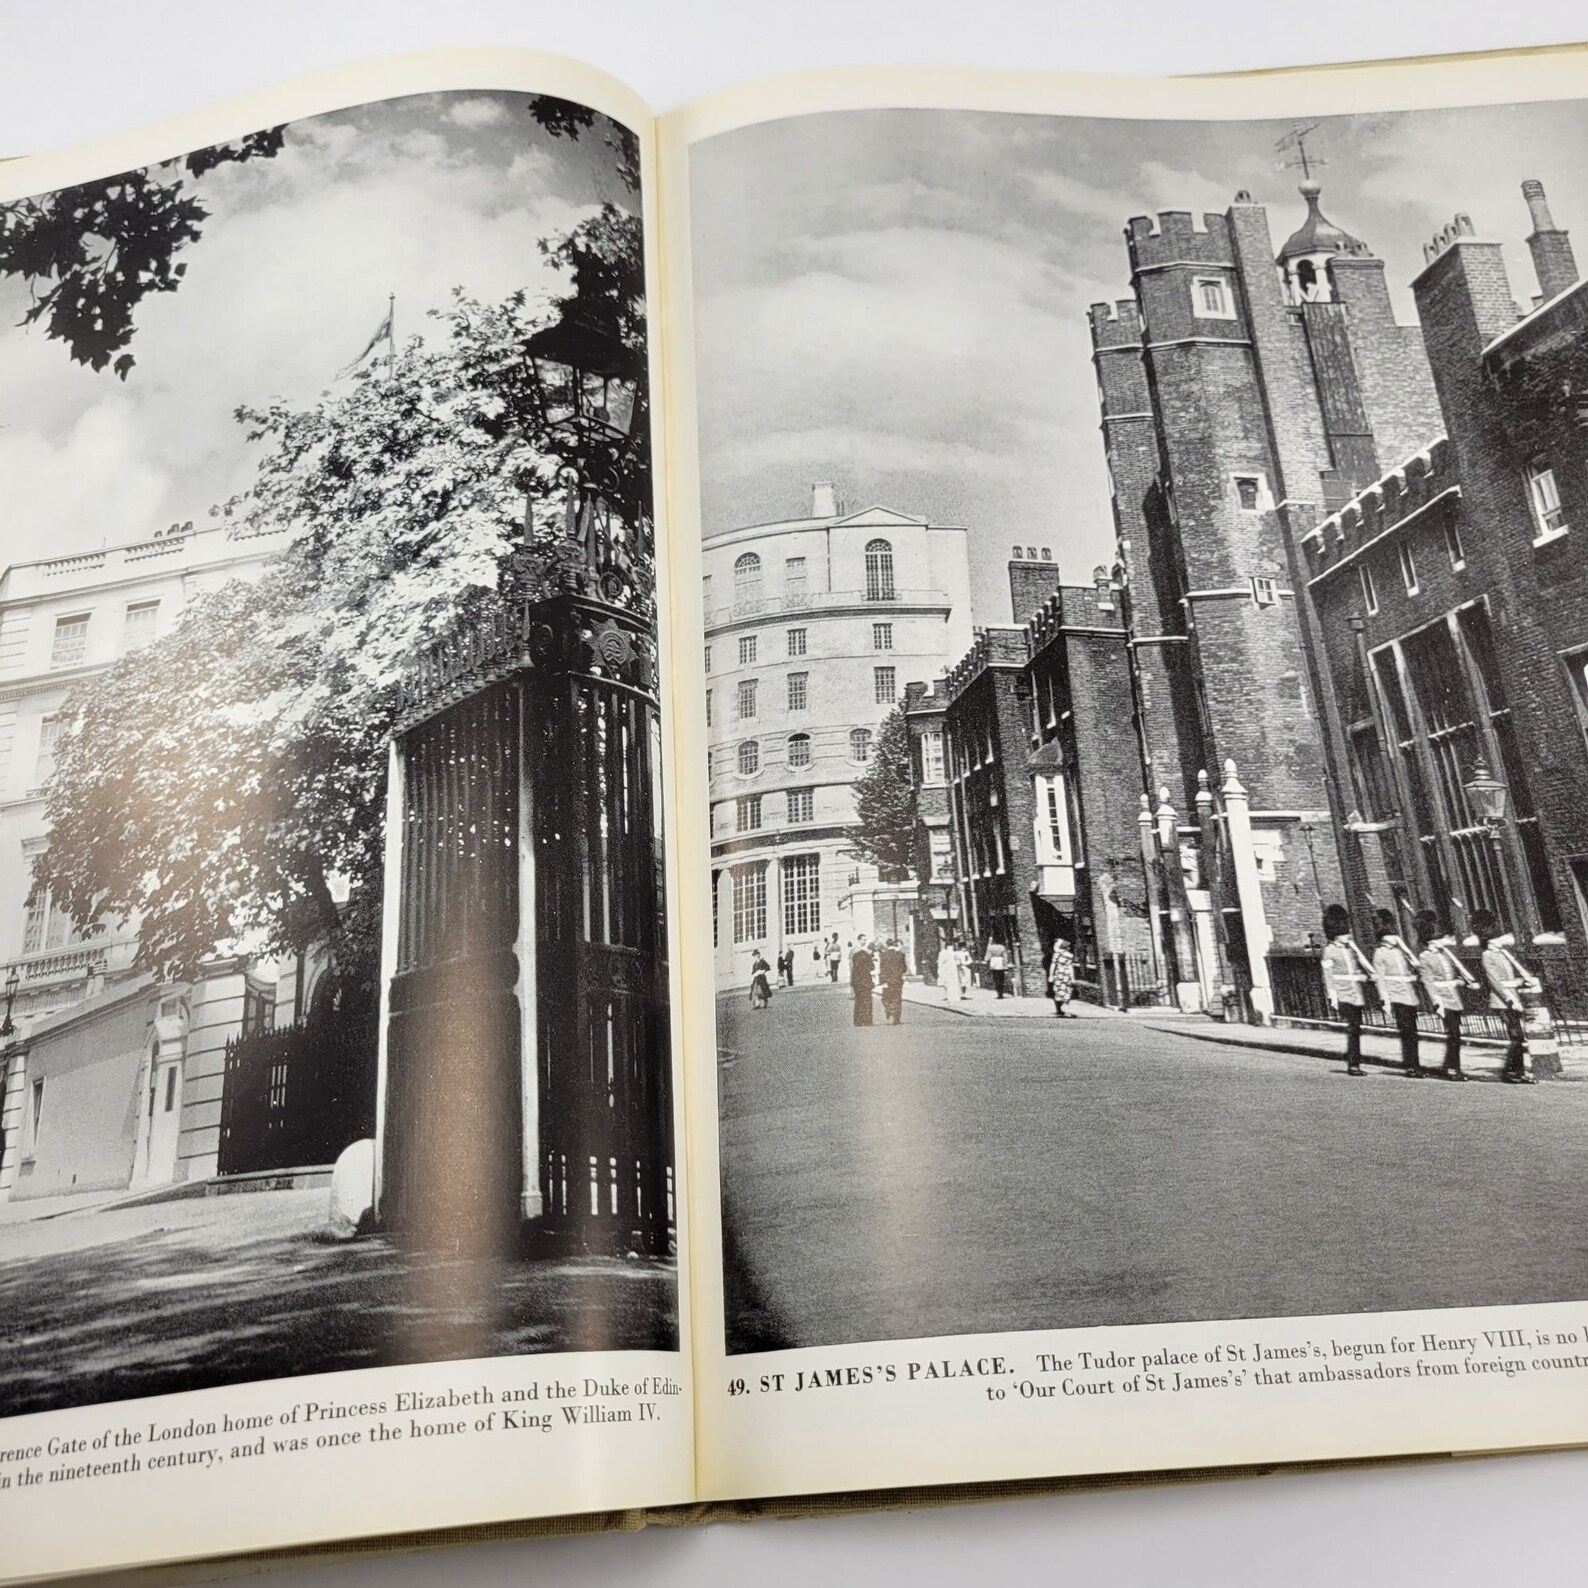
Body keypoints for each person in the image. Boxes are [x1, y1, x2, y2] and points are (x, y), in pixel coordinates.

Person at [1473, 908, 1539, 1084]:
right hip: (1503, 1002)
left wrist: (1521, 981)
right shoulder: (1487, 956)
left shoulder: (1503, 954)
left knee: (1519, 1037)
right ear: (1489, 940)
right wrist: (1511, 1000)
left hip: (1514, 999)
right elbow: (1495, 982)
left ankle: (1518, 1072)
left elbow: (1511, 978)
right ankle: (1509, 1071)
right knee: (1516, 1036)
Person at [1415, 909, 1476, 1081]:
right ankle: (1452, 1069)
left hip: (1454, 998)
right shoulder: (1425, 957)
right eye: (1440, 938)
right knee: (1454, 1035)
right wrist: (1437, 1003)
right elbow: (1428, 982)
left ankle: (1449, 1065)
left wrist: (1462, 982)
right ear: (1432, 941)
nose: (1444, 940)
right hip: (1443, 1000)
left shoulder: (1445, 955)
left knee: (1456, 1035)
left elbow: (1451, 976)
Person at [1321, 903, 1373, 1076]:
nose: (1348, 935)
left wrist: (1365, 975)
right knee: (1353, 1028)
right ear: (1336, 935)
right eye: (1344, 933)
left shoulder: (1351, 950)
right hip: (1343, 994)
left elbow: (1359, 966)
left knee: (1357, 1028)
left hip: (1355, 993)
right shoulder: (1329, 951)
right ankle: (1353, 1064)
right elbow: (1328, 976)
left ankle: (1354, 1060)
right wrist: (1333, 996)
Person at [1372, 909, 1426, 1078]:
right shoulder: (1380, 953)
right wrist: (1385, 1000)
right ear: (1383, 936)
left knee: (1413, 1032)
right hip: (1396, 995)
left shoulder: (1399, 951)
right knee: (1407, 1031)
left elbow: (1413, 967)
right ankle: (1411, 1066)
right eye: (1389, 934)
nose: (1393, 936)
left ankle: (1415, 1064)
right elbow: (1380, 979)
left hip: (1409, 994)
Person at [878, 938, 906, 1025]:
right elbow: (904, 969)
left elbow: (882, 969)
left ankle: (889, 1010)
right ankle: (896, 1018)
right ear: (894, 945)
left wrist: (882, 981)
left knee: (886, 998)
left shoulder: (883, 955)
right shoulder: (900, 955)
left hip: (887, 981)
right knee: (897, 998)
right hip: (897, 980)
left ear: (887, 945)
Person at [849, 933, 875, 1026]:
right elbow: (872, 967)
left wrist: (852, 981)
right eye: (863, 939)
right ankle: (867, 1020)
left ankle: (858, 1021)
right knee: (867, 1001)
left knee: (859, 1001)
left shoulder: (854, 953)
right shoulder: (866, 953)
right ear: (859, 940)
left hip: (857, 980)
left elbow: (852, 967)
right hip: (865, 980)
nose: (865, 941)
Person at [1047, 937, 1075, 1018]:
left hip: (1065, 975)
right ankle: (1059, 1009)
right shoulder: (1057, 954)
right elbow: (1053, 965)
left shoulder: (1069, 955)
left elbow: (1070, 966)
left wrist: (1072, 978)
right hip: (1059, 974)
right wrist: (1051, 975)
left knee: (1066, 990)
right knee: (1058, 990)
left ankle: (1061, 1008)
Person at [985, 935, 1008, 1000]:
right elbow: (1005, 957)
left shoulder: (990, 948)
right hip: (1000, 962)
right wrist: (1005, 965)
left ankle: (998, 993)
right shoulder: (1002, 947)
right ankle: (1001, 993)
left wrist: (987, 960)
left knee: (995, 978)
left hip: (993, 962)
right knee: (1001, 978)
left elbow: (987, 957)